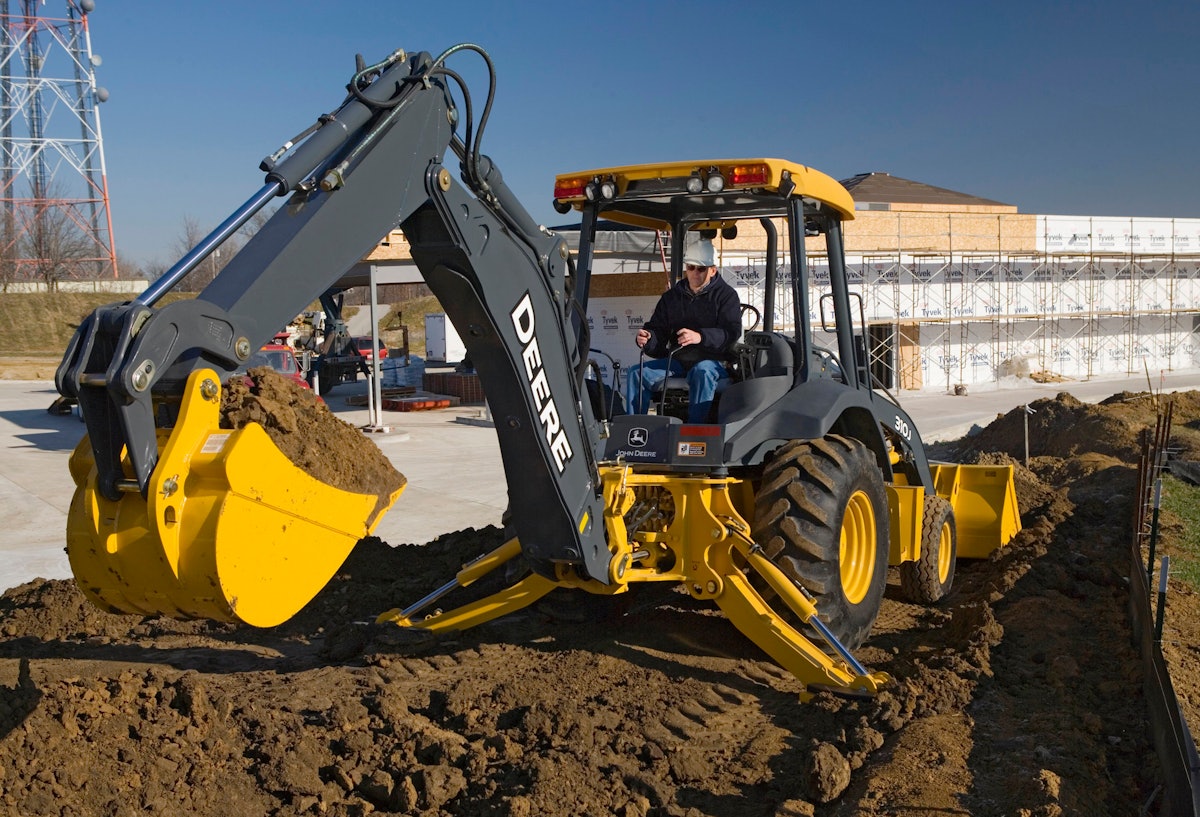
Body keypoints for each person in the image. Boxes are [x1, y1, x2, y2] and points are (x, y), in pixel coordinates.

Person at [627, 237, 742, 422]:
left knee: (702, 371)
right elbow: (658, 329)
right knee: (636, 373)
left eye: (701, 269)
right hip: (679, 360)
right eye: (691, 267)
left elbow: (731, 332)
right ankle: (635, 428)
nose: (695, 273)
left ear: (712, 270)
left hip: (714, 361)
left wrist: (700, 337)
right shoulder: (672, 297)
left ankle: (694, 429)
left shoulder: (726, 296)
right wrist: (649, 338)